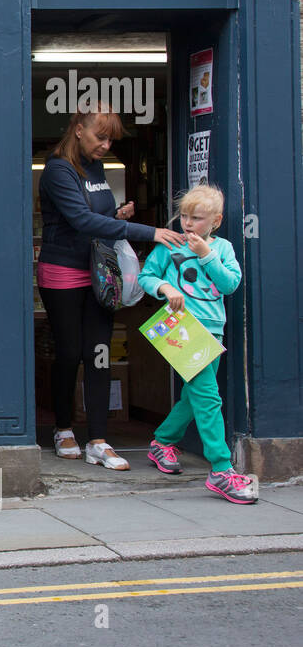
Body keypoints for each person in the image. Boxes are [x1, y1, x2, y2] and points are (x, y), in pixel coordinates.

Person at [37, 104, 185, 469]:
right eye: (99, 137)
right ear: (78, 129)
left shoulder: (98, 167)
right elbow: (80, 219)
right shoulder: (58, 170)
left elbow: (97, 218)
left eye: (110, 139)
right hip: (63, 271)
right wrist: (149, 232)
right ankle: (63, 428)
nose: (105, 145)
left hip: (101, 273)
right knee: (70, 353)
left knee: (99, 353)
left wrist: (116, 215)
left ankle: (99, 440)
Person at [138, 185, 252, 503]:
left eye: (197, 218)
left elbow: (230, 284)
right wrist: (164, 287)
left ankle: (162, 442)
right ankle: (221, 469)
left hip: (212, 329)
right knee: (208, 397)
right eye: (184, 216)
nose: (188, 224)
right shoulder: (169, 244)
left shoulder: (223, 249)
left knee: (194, 395)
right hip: (178, 329)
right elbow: (146, 276)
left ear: (215, 221)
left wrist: (206, 255)